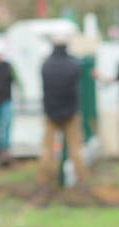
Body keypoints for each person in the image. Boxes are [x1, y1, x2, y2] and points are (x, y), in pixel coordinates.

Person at [35, 34, 88, 191]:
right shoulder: (73, 64)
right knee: (75, 149)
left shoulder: (46, 65)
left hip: (51, 113)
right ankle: (82, 181)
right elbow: (80, 72)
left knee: (47, 149)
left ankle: (43, 181)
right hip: (70, 113)